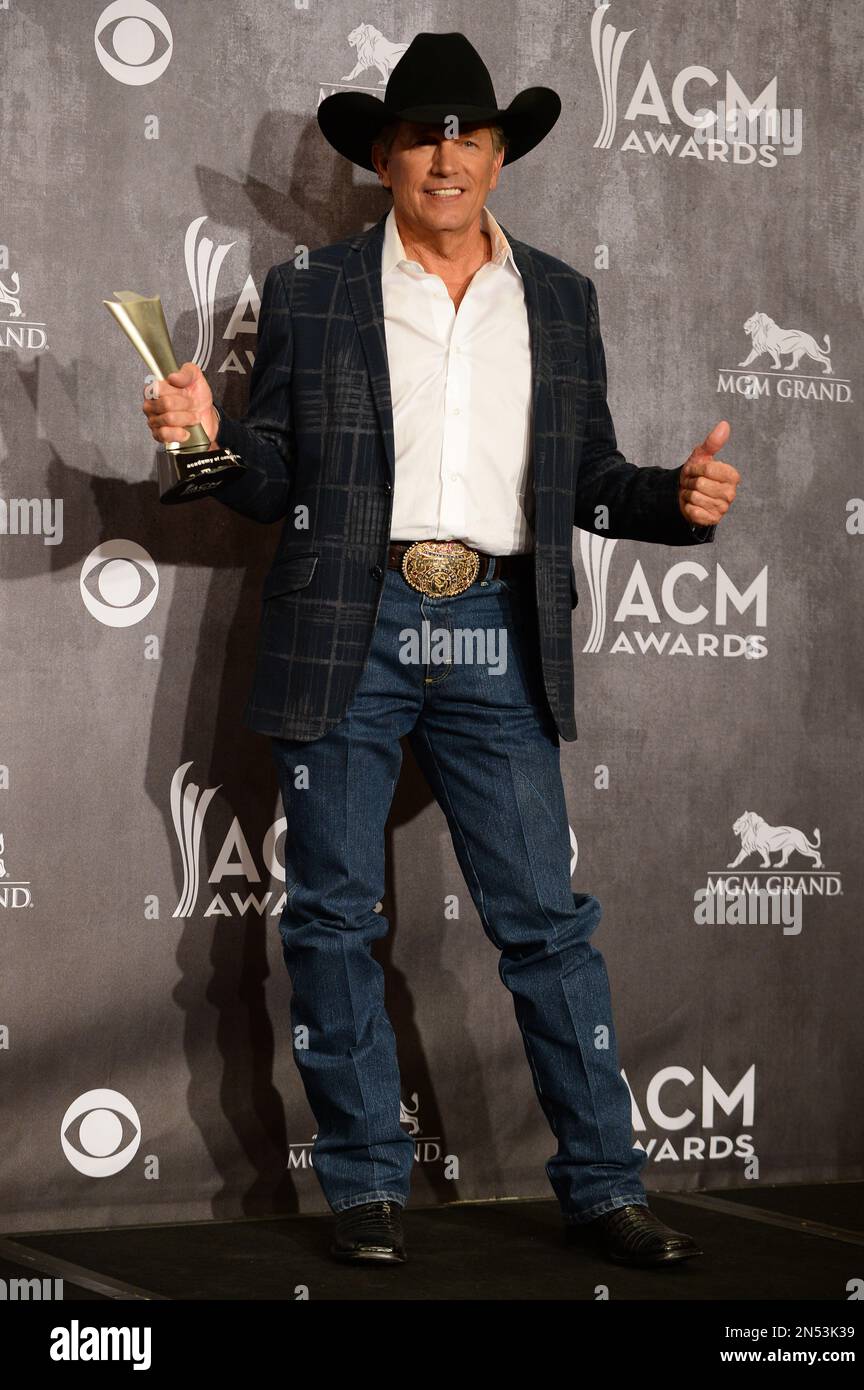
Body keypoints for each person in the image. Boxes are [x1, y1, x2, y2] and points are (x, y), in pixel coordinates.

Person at [142, 31, 740, 1269]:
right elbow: (269, 479)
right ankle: (363, 1188)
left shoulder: (562, 298)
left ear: (503, 154)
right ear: (382, 154)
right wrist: (204, 441)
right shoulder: (308, 289)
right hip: (343, 625)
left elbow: (588, 478)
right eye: (422, 133)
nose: (447, 155)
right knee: (329, 918)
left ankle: (603, 1186)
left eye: (470, 133)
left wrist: (670, 503)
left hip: (494, 626)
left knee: (544, 924)